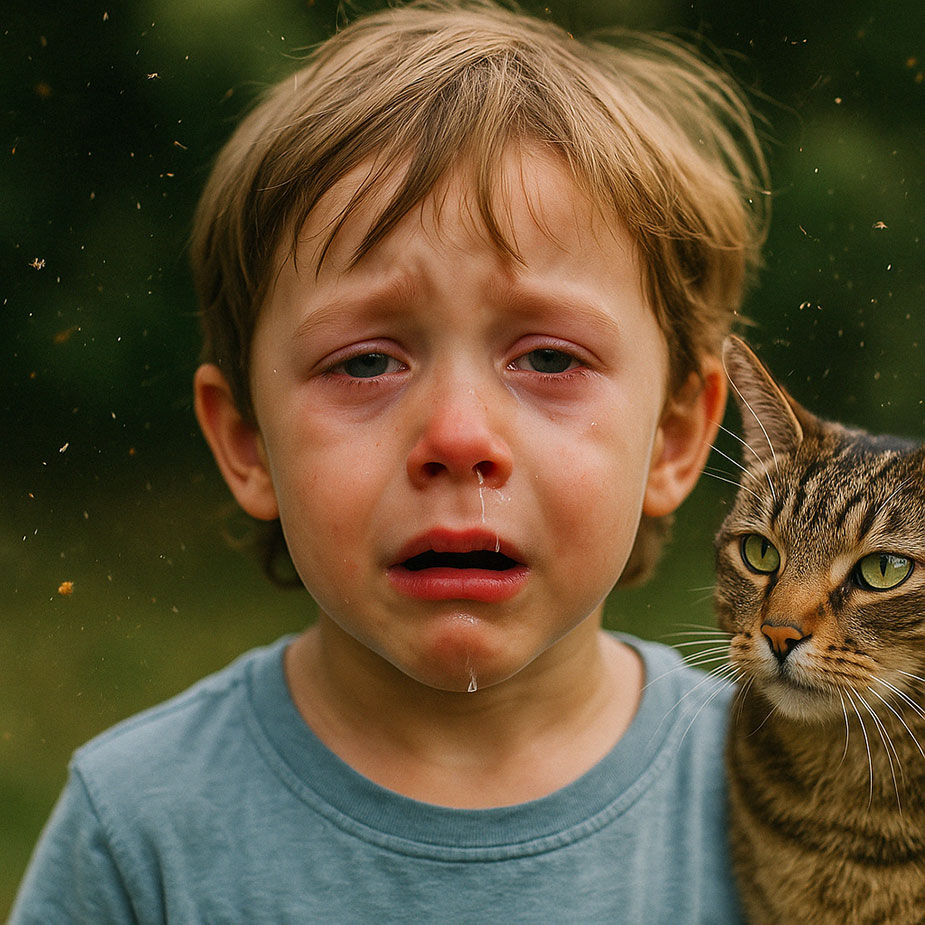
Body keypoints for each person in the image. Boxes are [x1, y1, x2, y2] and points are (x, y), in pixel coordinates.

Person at [10, 1, 768, 920]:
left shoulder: (798, 798)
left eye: (548, 359)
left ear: (674, 437)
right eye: (365, 362)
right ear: (246, 440)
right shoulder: (138, 830)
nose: (457, 435)